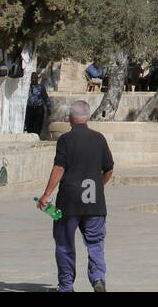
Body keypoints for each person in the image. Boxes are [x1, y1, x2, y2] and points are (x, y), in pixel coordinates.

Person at [36, 99, 113, 292]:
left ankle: (66, 286)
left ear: (71, 118)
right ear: (87, 117)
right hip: (94, 202)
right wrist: (98, 186)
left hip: (68, 202)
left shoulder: (65, 140)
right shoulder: (99, 138)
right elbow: (109, 169)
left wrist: (46, 194)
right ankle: (98, 280)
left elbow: (59, 167)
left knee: (64, 243)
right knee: (95, 242)